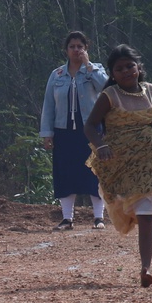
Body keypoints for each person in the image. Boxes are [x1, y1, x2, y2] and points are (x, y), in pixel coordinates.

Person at [84, 45, 152, 287]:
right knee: (136, 209)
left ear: (138, 68)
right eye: (120, 68)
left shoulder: (151, 91)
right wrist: (101, 146)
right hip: (122, 163)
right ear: (113, 74)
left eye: (130, 66)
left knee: (146, 212)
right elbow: (90, 125)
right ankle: (145, 264)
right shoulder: (109, 96)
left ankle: (146, 267)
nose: (126, 71)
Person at [39, 31, 109, 230]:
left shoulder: (95, 70)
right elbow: (49, 105)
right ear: (66, 50)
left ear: (86, 49)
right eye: (73, 47)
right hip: (64, 131)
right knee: (66, 173)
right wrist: (47, 134)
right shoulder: (57, 74)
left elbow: (105, 87)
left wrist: (89, 66)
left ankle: (99, 218)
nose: (76, 50)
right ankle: (67, 218)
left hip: (91, 130)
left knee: (94, 172)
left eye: (80, 46)